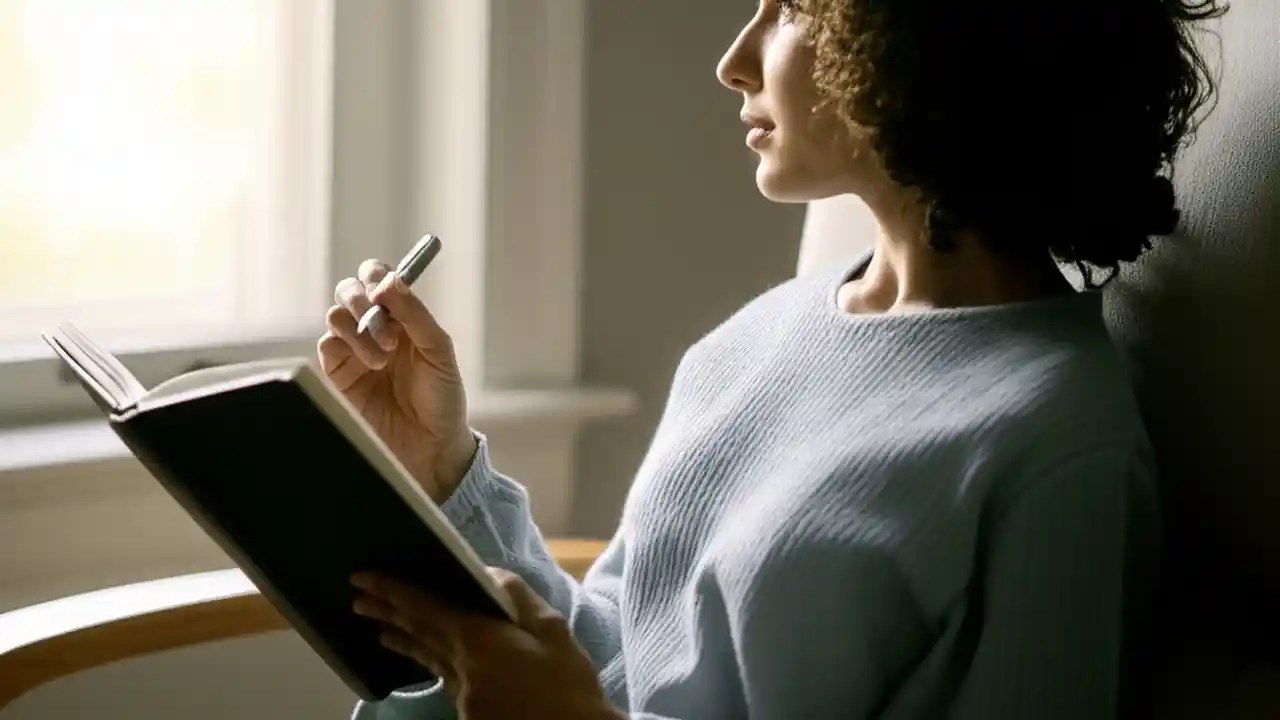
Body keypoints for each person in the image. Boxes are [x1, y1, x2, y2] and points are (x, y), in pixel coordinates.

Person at [320, 0, 1226, 717]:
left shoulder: (1058, 444)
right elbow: (610, 655)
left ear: (926, 40)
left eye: (789, 5)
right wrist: (445, 469)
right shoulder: (764, 334)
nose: (733, 59)